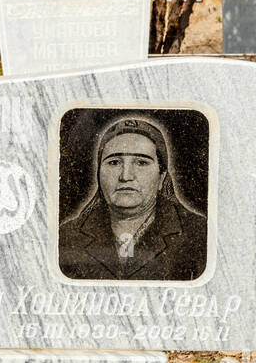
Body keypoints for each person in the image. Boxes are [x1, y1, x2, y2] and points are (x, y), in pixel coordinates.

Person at [58, 116, 207, 281]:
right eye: (114, 162)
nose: (126, 176)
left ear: (162, 177)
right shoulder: (67, 237)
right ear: (98, 174)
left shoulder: (199, 235)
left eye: (141, 163)